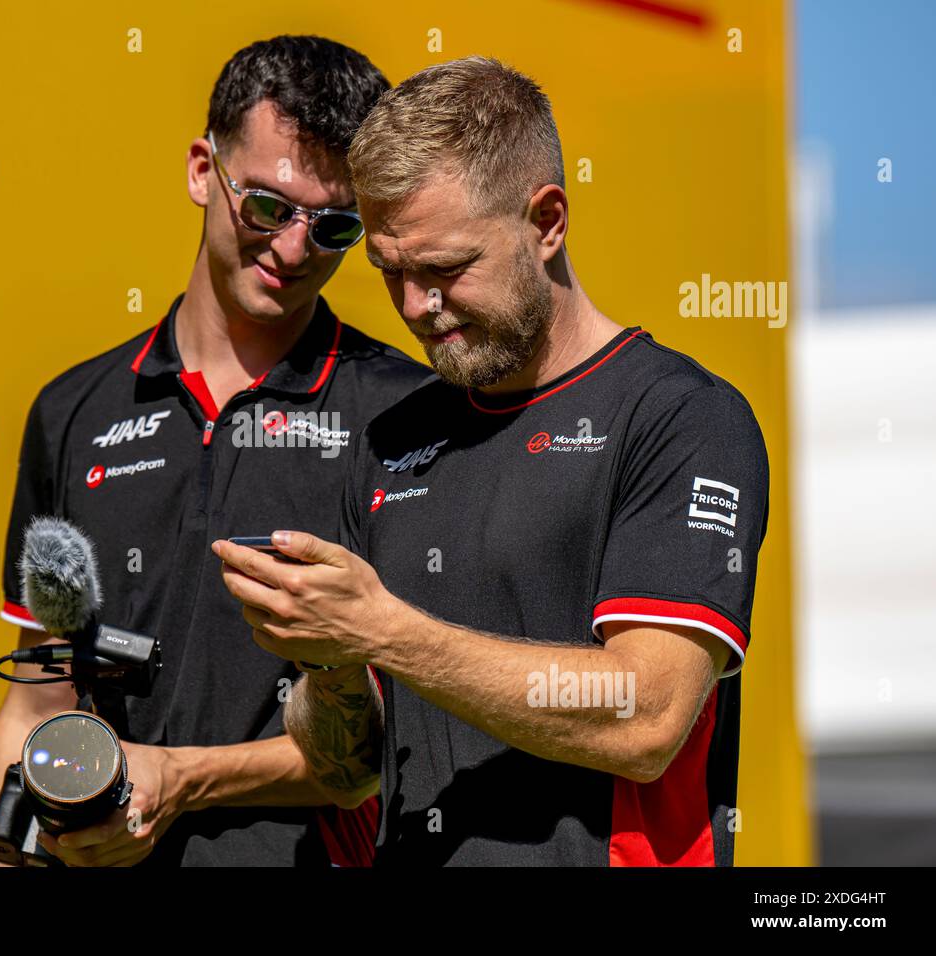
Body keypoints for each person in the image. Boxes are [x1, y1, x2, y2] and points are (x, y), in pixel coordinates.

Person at [215, 56, 770, 866]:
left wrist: (386, 631)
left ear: (547, 221)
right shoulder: (390, 441)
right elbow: (350, 773)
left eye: (445, 269)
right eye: (390, 271)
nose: (414, 306)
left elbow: (648, 715)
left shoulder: (681, 415)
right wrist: (329, 663)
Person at [0, 35, 429, 867]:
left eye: (334, 227)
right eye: (268, 207)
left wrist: (181, 777)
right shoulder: (73, 410)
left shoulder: (401, 414)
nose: (293, 249)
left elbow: (392, 743)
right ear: (200, 172)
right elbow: (37, 705)